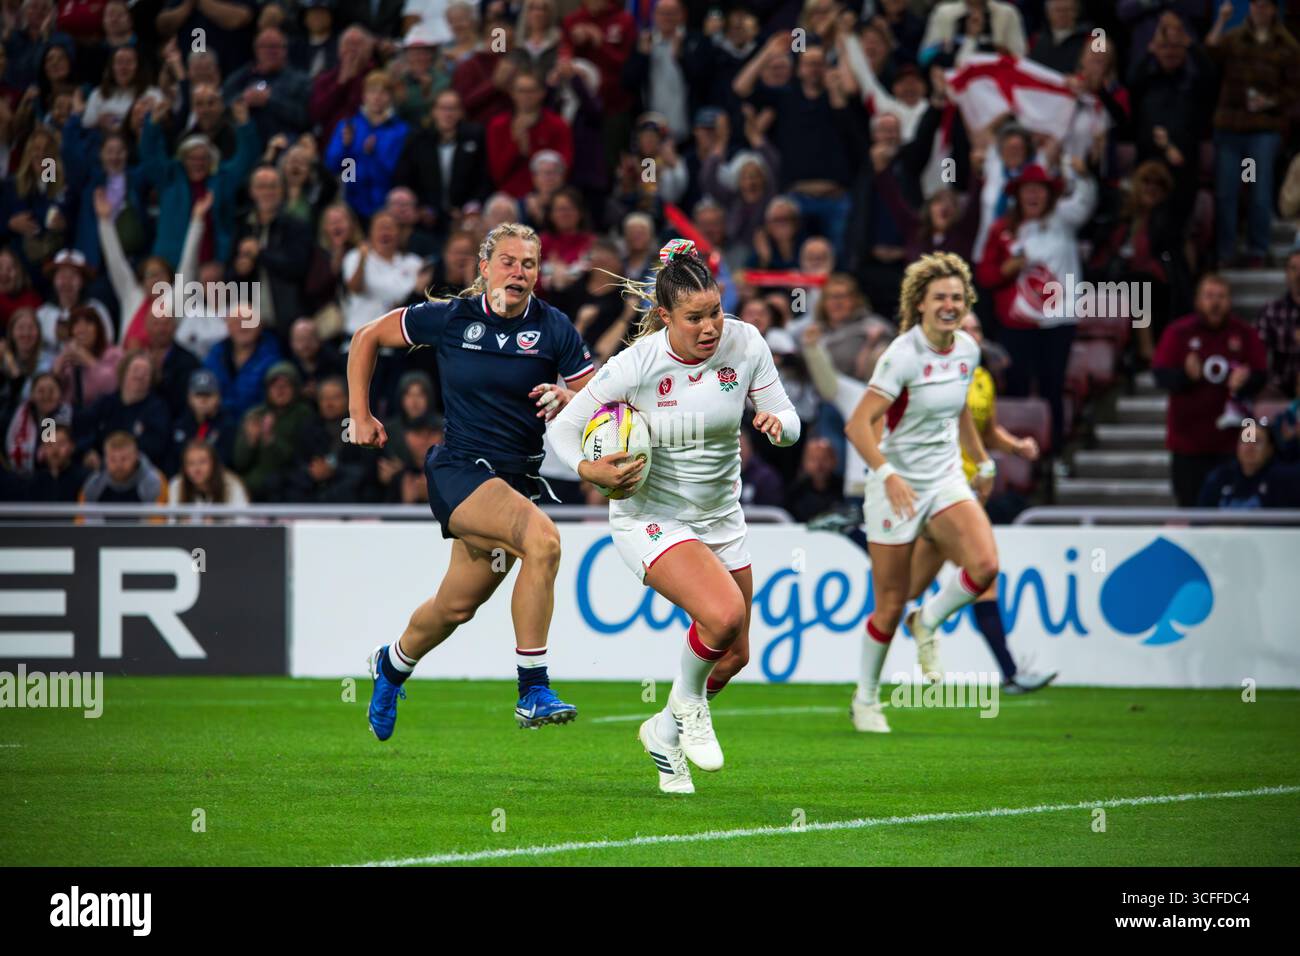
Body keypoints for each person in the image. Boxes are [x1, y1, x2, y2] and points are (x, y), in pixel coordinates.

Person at [550, 239, 802, 795]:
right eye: (695, 318)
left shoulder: (745, 341)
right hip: (650, 514)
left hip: (721, 515)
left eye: (715, 310)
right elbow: (563, 429)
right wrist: (589, 471)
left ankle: (663, 732)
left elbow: (785, 411)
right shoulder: (638, 363)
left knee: (734, 654)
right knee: (722, 613)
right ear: (665, 317)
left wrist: (781, 427)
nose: (711, 326)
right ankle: (688, 707)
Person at [346, 222, 595, 741]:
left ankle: (390, 666)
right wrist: (360, 415)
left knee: (455, 606)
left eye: (529, 264)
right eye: (507, 261)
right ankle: (533, 690)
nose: (518, 272)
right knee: (544, 542)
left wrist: (570, 399)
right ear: (484, 268)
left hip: (516, 481)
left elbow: (598, 403)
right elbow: (367, 336)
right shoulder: (451, 318)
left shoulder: (555, 329)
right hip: (461, 470)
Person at [844, 252, 998, 733]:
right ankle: (866, 698)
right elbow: (857, 425)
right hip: (895, 485)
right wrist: (887, 473)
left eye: (956, 297)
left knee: (986, 566)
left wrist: (985, 460)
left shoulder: (968, 351)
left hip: (946, 479)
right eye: (940, 298)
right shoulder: (902, 355)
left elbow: (959, 414)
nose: (949, 305)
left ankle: (927, 621)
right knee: (891, 602)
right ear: (921, 304)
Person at [901, 312, 1055, 695]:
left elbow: (985, 432)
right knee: (981, 576)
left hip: (968, 495)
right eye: (963, 328)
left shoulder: (982, 379)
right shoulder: (931, 377)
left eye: (976, 328)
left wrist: (1015, 445)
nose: (971, 334)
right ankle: (1010, 672)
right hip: (938, 491)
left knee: (906, 587)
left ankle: (861, 538)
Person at [1153, 274, 1269, 506]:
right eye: (1209, 296)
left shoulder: (1244, 334)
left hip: (1233, 445)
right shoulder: (1179, 332)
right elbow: (1160, 375)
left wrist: (1246, 380)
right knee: (1190, 509)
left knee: (1232, 511)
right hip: (1187, 444)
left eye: (1221, 296)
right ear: (1197, 301)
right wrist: (1185, 376)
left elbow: (1261, 375)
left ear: (1230, 301)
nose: (1215, 303)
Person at [1198, 417, 1300, 509]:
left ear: (1270, 449)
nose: (1250, 447)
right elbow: (1200, 520)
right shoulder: (1220, 477)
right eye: (1245, 440)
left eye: (1257, 441)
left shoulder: (1284, 479)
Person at [169, 436, 249, 506]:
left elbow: (242, 521)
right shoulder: (177, 485)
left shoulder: (232, 484)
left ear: (214, 463)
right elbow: (172, 521)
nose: (197, 469)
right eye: (191, 463)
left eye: (203, 461)